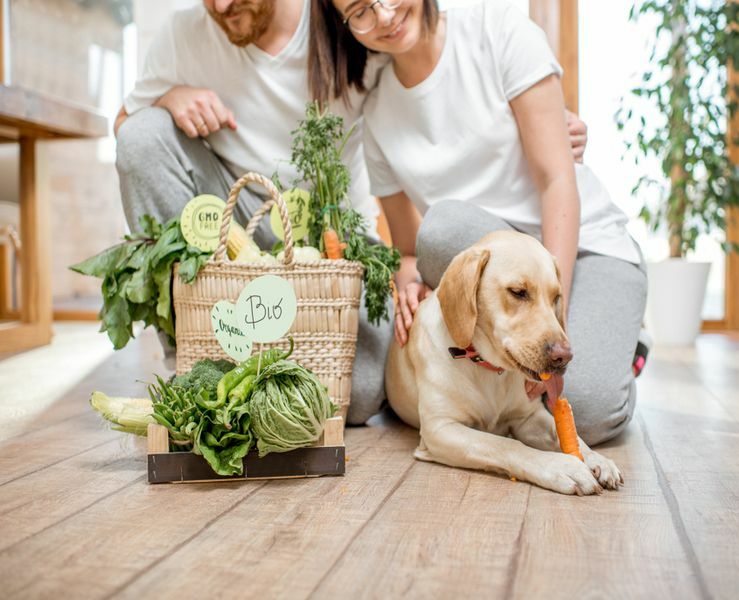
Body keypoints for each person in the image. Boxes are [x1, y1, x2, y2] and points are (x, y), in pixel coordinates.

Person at [114, 0, 589, 425]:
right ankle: (193, 357)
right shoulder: (184, 34)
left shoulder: (350, 27)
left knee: (357, 397)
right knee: (142, 135)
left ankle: (272, 361)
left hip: (335, 238)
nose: (221, 4)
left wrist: (537, 119)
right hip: (232, 221)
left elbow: (433, 80)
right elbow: (126, 129)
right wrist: (167, 99)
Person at [311, 0, 648, 444]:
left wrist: (555, 322)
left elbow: (556, 181)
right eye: (360, 12)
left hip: (583, 246)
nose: (385, 16)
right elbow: (415, 249)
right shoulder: (377, 115)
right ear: (346, 27)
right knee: (443, 228)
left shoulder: (500, 31)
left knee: (589, 415)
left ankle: (625, 340)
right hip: (483, 262)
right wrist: (412, 284)